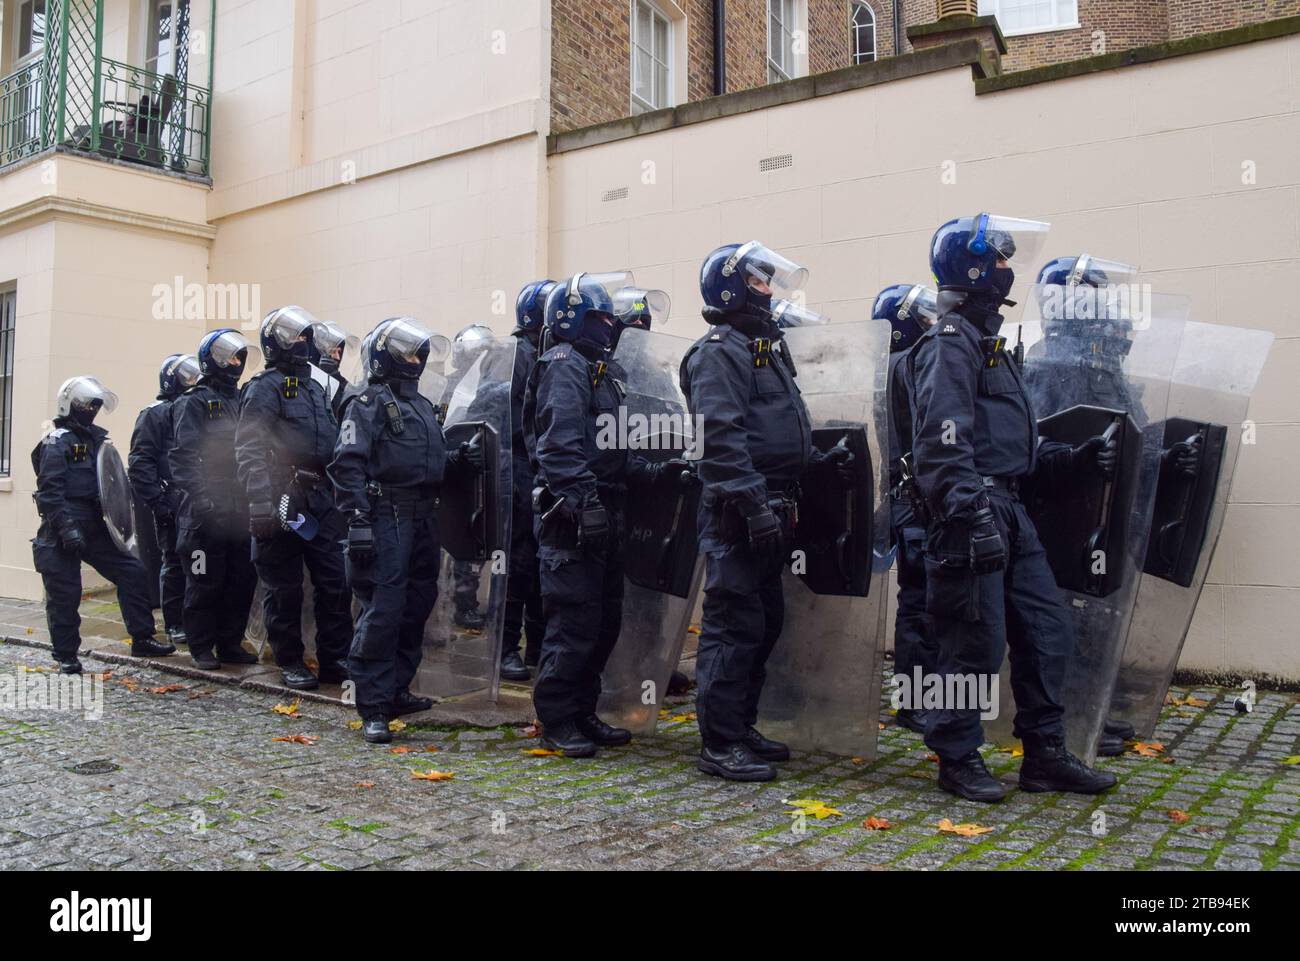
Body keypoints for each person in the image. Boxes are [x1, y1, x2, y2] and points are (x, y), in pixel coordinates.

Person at [909, 213, 1117, 801]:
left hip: (1007, 505)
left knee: (1048, 631)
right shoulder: (950, 344)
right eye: (999, 260)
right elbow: (941, 442)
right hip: (969, 507)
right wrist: (968, 511)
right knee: (972, 641)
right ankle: (957, 758)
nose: (1007, 270)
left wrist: (1069, 459)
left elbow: (1011, 442)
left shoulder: (990, 344)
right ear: (973, 268)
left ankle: (1045, 755)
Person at [679, 242, 854, 782]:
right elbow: (721, 438)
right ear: (731, 287)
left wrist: (818, 461)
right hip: (739, 512)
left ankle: (741, 724)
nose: (769, 291)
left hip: (772, 505)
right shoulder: (719, 351)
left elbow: (774, 426)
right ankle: (720, 742)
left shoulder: (761, 347)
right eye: (758, 283)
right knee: (733, 627)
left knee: (763, 623)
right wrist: (753, 505)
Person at [529, 273, 673, 757]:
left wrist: (656, 470)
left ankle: (583, 711)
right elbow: (559, 447)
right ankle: (556, 718)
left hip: (606, 510)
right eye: (600, 316)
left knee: (603, 621)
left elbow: (611, 447)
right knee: (572, 622)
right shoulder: (564, 365)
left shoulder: (603, 372)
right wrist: (584, 503)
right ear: (573, 318)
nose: (609, 325)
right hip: (572, 516)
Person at [329, 318, 485, 744]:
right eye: (408, 353)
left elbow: (422, 461)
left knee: (418, 603)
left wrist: (457, 461)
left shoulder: (419, 404)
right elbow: (348, 465)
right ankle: (373, 704)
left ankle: (397, 687)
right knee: (384, 607)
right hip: (385, 516)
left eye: (419, 353)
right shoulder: (367, 402)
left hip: (421, 517)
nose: (416, 361)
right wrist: (358, 522)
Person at [236, 307, 353, 690]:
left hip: (320, 496)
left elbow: (332, 440)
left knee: (335, 581)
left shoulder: (316, 387)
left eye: (306, 336)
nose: (302, 343)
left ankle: (335, 659)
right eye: (294, 337)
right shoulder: (263, 388)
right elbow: (249, 449)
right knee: (283, 586)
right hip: (282, 495)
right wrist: (260, 504)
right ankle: (290, 660)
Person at [32, 377, 175, 673]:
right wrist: (66, 527)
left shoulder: (95, 440)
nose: (91, 410)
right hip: (63, 524)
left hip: (97, 523)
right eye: (86, 404)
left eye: (95, 405)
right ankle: (67, 655)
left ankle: (142, 638)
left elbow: (111, 482)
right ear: (70, 404)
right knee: (65, 591)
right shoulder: (55, 442)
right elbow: (49, 493)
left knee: (132, 571)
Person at [871, 284, 940, 734]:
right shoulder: (908, 366)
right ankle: (914, 703)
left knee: (920, 600)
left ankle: (917, 698)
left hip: (906, 498)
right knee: (920, 602)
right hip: (917, 502)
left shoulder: (891, 367)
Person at [170, 329, 260, 671]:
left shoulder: (242, 401)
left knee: (240, 578)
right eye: (231, 358)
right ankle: (201, 645)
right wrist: (203, 500)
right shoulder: (193, 403)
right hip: (204, 511)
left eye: (240, 358)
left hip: (240, 506)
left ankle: (229, 641)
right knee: (204, 579)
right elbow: (183, 458)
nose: (237, 364)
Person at [500, 282, 557, 680]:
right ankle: (504, 647)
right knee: (517, 564)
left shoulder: (548, 355)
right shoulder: (515, 355)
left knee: (540, 562)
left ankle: (538, 644)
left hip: (538, 468)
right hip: (518, 469)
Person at [128, 353, 201, 648]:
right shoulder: (154, 413)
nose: (193, 382)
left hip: (196, 498)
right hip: (170, 498)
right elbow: (140, 462)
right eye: (187, 377)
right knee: (174, 560)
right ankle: (175, 622)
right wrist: (158, 502)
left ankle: (198, 619)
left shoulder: (195, 408)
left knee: (200, 562)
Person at [445, 324, 496, 631]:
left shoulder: (498, 383)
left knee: (486, 537)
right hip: (459, 470)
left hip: (490, 466)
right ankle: (463, 604)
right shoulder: (453, 385)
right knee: (464, 539)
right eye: (476, 352)